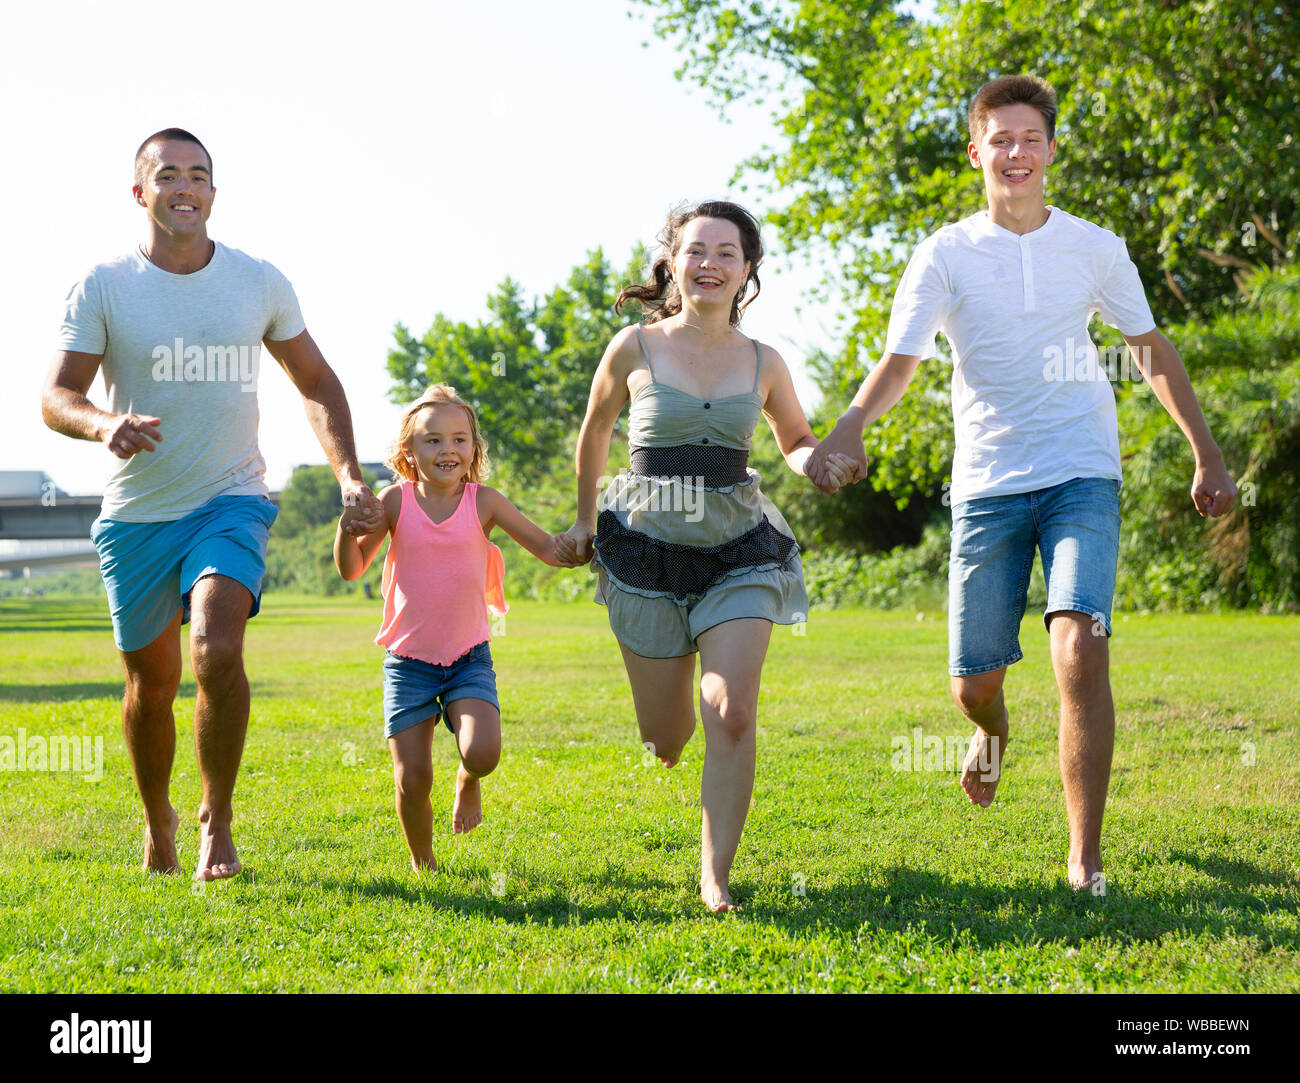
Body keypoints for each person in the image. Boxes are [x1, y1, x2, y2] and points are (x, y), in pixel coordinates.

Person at [808, 76, 1238, 889]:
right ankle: (993, 733)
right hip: (987, 481)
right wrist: (848, 430)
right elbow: (902, 362)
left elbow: (1149, 349)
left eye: (1029, 138)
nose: (1015, 152)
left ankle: (1085, 858)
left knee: (1080, 645)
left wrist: (1206, 453)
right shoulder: (944, 253)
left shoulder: (1095, 247)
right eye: (999, 139)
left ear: (1050, 149)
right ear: (976, 152)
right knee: (974, 685)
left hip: (1082, 467)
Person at [41, 128, 383, 880]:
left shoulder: (257, 281)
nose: (184, 186)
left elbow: (316, 381)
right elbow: (56, 396)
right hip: (136, 514)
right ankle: (156, 814)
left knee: (216, 650)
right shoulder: (104, 285)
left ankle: (215, 820)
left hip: (230, 498)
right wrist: (105, 423)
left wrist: (349, 475)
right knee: (151, 685)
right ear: (142, 193)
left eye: (198, 174)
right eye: (168, 175)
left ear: (214, 194)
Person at [557, 200, 854, 912]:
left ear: (747, 270)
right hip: (647, 544)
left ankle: (715, 875)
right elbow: (595, 431)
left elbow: (795, 437)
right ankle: (670, 734)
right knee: (665, 735)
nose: (711, 264)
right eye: (697, 250)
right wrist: (582, 522)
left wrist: (817, 462)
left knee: (730, 709)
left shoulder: (765, 360)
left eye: (728, 252)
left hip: (738, 545)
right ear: (673, 262)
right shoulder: (635, 346)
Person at [335, 385, 566, 870]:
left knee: (483, 753)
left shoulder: (486, 503)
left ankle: (468, 779)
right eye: (433, 440)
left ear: (473, 449)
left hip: (467, 658)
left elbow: (548, 548)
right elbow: (352, 568)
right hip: (407, 664)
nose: (448, 450)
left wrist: (587, 538)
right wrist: (346, 527)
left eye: (460, 439)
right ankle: (425, 864)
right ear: (409, 452)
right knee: (412, 779)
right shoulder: (393, 502)